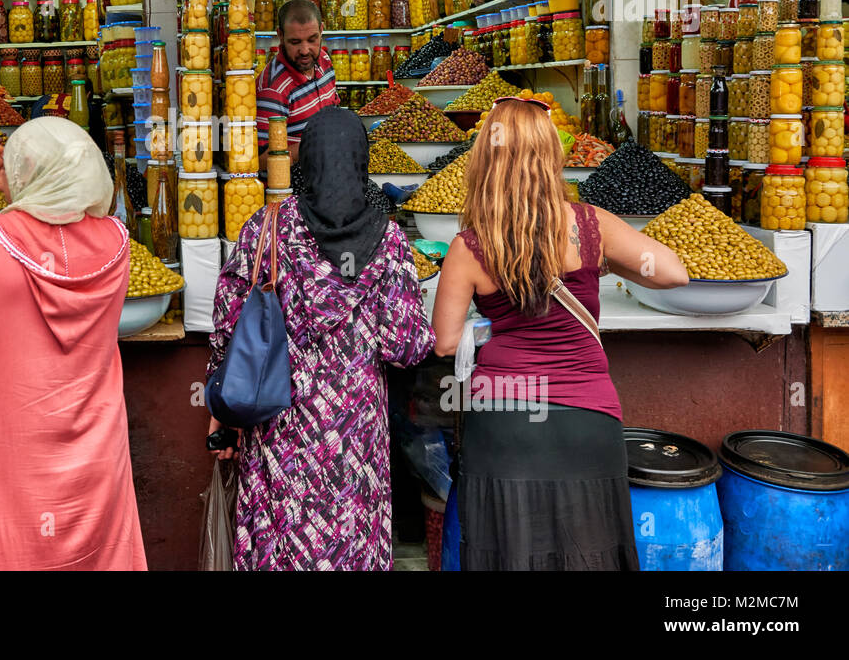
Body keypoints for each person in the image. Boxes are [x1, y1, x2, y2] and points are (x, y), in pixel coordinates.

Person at [432, 96, 689, 570]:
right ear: (553, 156)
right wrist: (605, 262)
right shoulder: (591, 225)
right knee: (587, 554)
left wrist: (492, 324)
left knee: (509, 554)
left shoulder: (469, 246)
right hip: (587, 422)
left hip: (504, 420)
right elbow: (673, 272)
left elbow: (446, 343)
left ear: (486, 159)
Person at [0, 116, 147, 570]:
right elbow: (56, 233)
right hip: (95, 456)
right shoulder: (117, 247)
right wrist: (22, 196)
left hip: (5, 457)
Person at [208, 106, 434, 570]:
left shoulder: (266, 229)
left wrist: (219, 410)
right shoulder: (388, 240)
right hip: (355, 435)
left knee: (281, 539)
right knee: (351, 542)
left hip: (277, 420)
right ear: (360, 162)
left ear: (304, 163)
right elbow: (406, 345)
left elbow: (228, 327)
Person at [255, 0, 338, 165]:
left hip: (329, 174)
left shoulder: (324, 60)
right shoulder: (273, 89)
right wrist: (313, 145)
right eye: (295, 42)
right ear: (280, 35)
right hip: (296, 186)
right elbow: (261, 161)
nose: (305, 50)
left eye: (312, 39)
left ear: (322, 30)